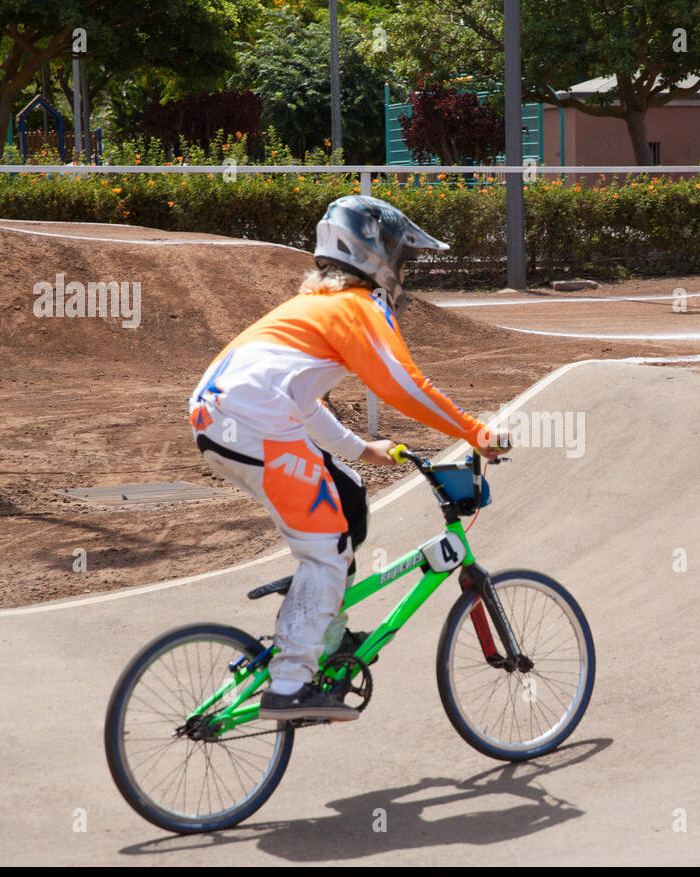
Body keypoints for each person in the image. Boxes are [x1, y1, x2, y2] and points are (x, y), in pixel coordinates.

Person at [188, 195, 508, 722]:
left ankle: (324, 626)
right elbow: (404, 385)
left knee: (348, 489)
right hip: (252, 425)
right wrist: (476, 431)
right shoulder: (359, 306)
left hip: (225, 421)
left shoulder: (309, 309)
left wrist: (359, 450)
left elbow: (301, 403)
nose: (405, 272)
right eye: (402, 258)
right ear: (375, 256)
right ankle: (290, 684)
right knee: (327, 549)